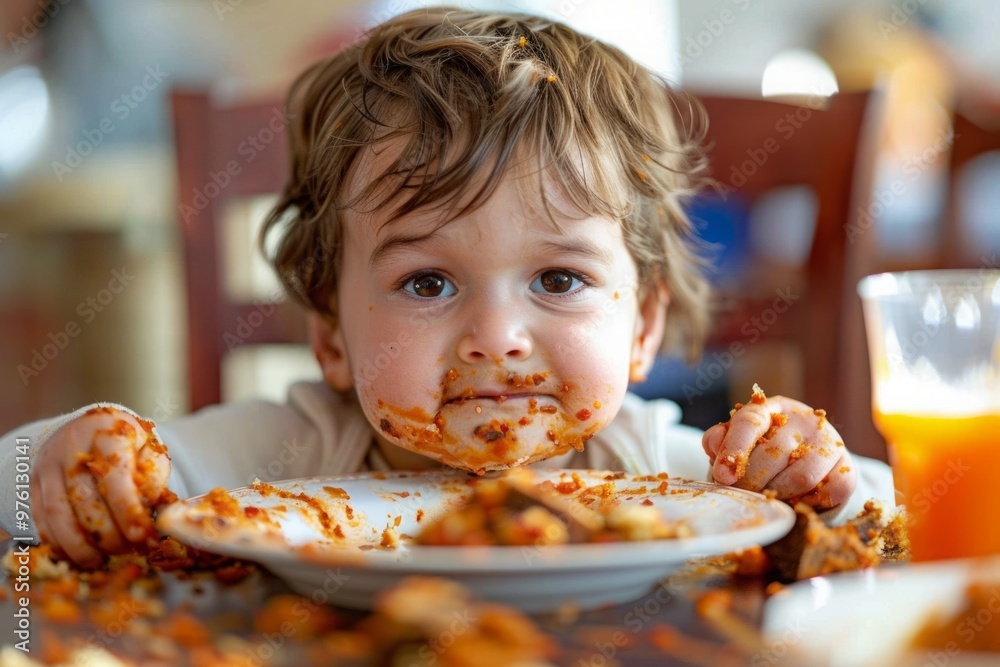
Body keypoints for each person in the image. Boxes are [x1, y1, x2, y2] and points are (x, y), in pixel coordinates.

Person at [0, 7, 892, 567]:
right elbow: (10, 483)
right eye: (427, 280)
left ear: (643, 323)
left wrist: (820, 482)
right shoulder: (286, 460)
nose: (496, 336)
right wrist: (80, 463)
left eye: (558, 277)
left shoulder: (655, 467)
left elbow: (886, 508)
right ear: (333, 336)